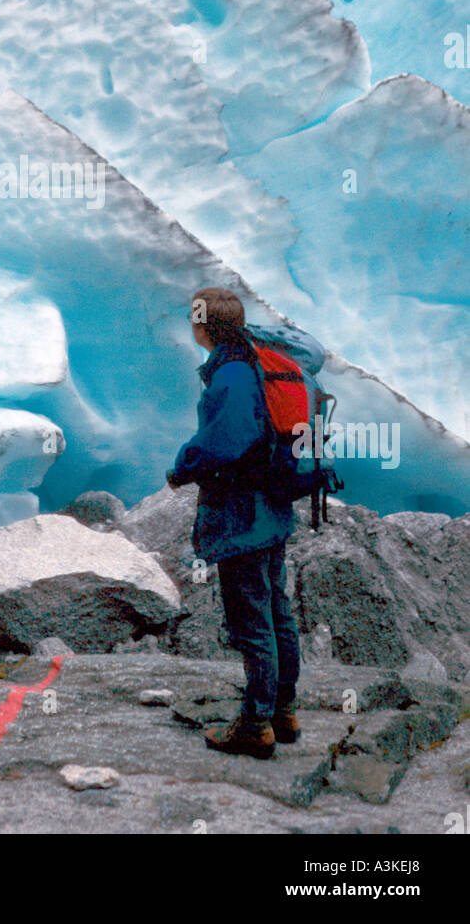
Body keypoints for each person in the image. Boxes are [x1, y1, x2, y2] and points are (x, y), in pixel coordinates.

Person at [165, 286, 301, 760]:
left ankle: (255, 724)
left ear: (205, 326)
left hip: (244, 513)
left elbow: (224, 443)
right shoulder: (254, 364)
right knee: (276, 608)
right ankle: (283, 711)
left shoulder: (233, 377)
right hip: (272, 507)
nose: (191, 325)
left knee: (252, 617)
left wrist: (182, 468)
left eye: (194, 319)